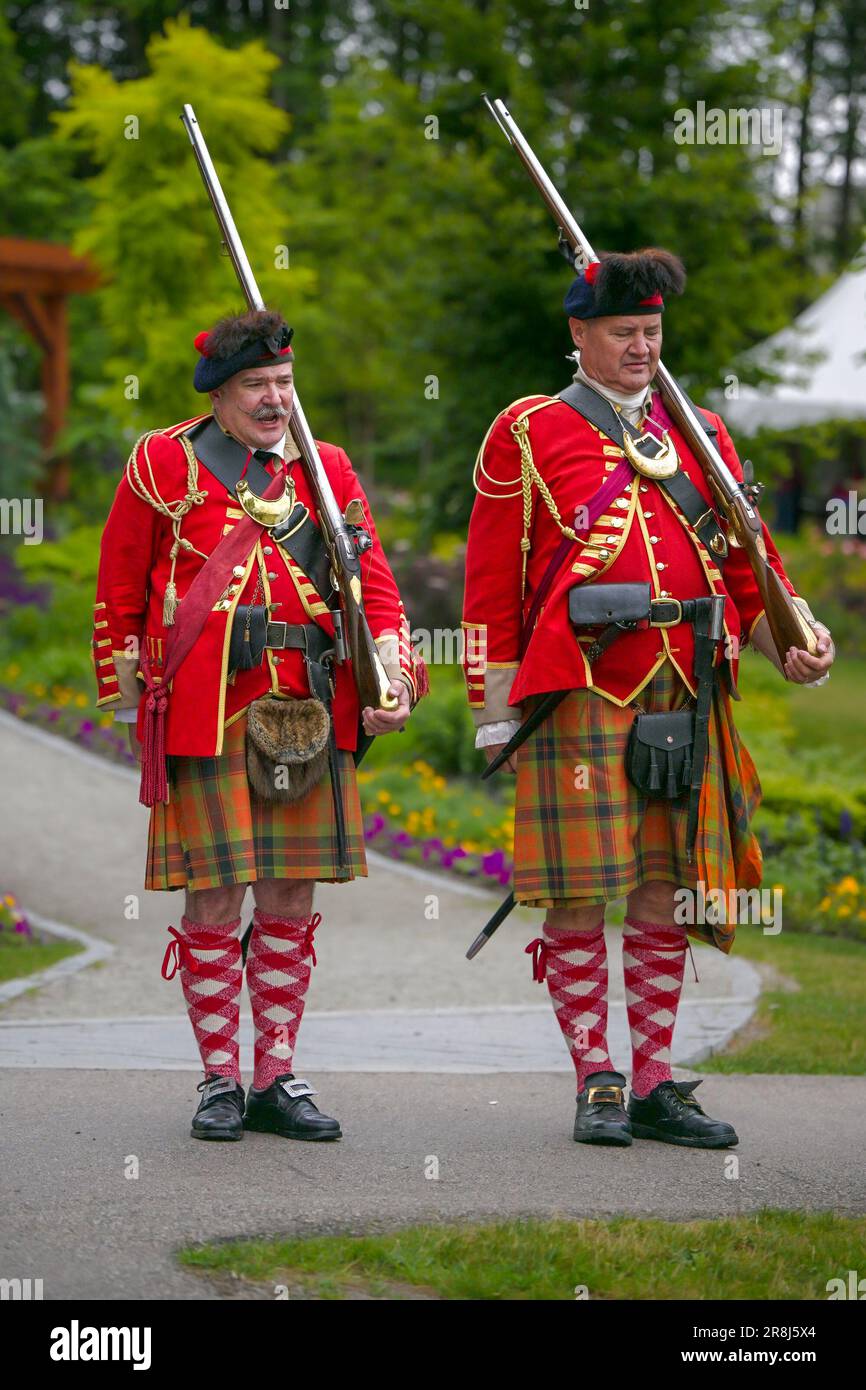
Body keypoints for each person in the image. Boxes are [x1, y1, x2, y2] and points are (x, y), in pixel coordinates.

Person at [462, 249, 833, 1148]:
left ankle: (658, 1082)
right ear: (579, 335)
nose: (641, 347)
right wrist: (492, 703)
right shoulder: (529, 428)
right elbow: (489, 582)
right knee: (584, 891)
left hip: (687, 682)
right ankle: (597, 1078)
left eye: (653, 333)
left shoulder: (698, 428)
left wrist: (792, 634)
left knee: (666, 887)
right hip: (579, 688)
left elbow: (747, 558)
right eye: (624, 333)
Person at [92, 307, 425, 1142]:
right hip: (209, 717)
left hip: (309, 712)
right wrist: (135, 697)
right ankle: (217, 1082)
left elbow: (374, 586)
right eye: (257, 387)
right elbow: (120, 589)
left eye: (284, 383)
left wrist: (395, 674)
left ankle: (276, 1072)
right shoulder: (165, 463)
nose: (277, 401)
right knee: (214, 898)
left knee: (289, 895)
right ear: (219, 394)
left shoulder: (327, 466)